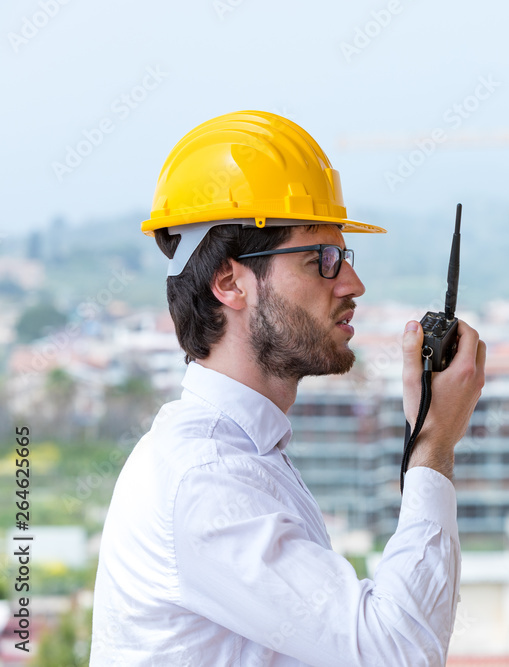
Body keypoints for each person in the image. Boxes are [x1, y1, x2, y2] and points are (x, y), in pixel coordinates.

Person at [91, 111, 486, 666]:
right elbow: (394, 652)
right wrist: (432, 445)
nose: (353, 284)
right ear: (230, 282)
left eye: (343, 257)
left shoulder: (244, 455)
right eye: (321, 260)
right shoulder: (206, 478)